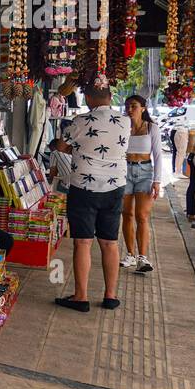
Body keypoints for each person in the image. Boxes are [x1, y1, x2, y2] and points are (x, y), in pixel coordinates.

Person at [53, 83, 130, 312]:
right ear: (110, 97)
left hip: (83, 188)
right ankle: (110, 296)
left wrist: (78, 149)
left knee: (83, 242)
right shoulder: (124, 122)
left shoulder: (80, 122)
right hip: (115, 186)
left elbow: (61, 146)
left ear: (87, 97)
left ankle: (81, 296)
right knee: (110, 243)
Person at [120, 95, 161, 273]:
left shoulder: (152, 127)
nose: (130, 109)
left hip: (145, 172)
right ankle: (130, 254)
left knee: (142, 216)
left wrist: (157, 181)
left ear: (143, 108)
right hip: (124, 171)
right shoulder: (122, 126)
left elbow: (158, 155)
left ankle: (142, 258)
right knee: (127, 214)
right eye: (127, 106)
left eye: (134, 106)